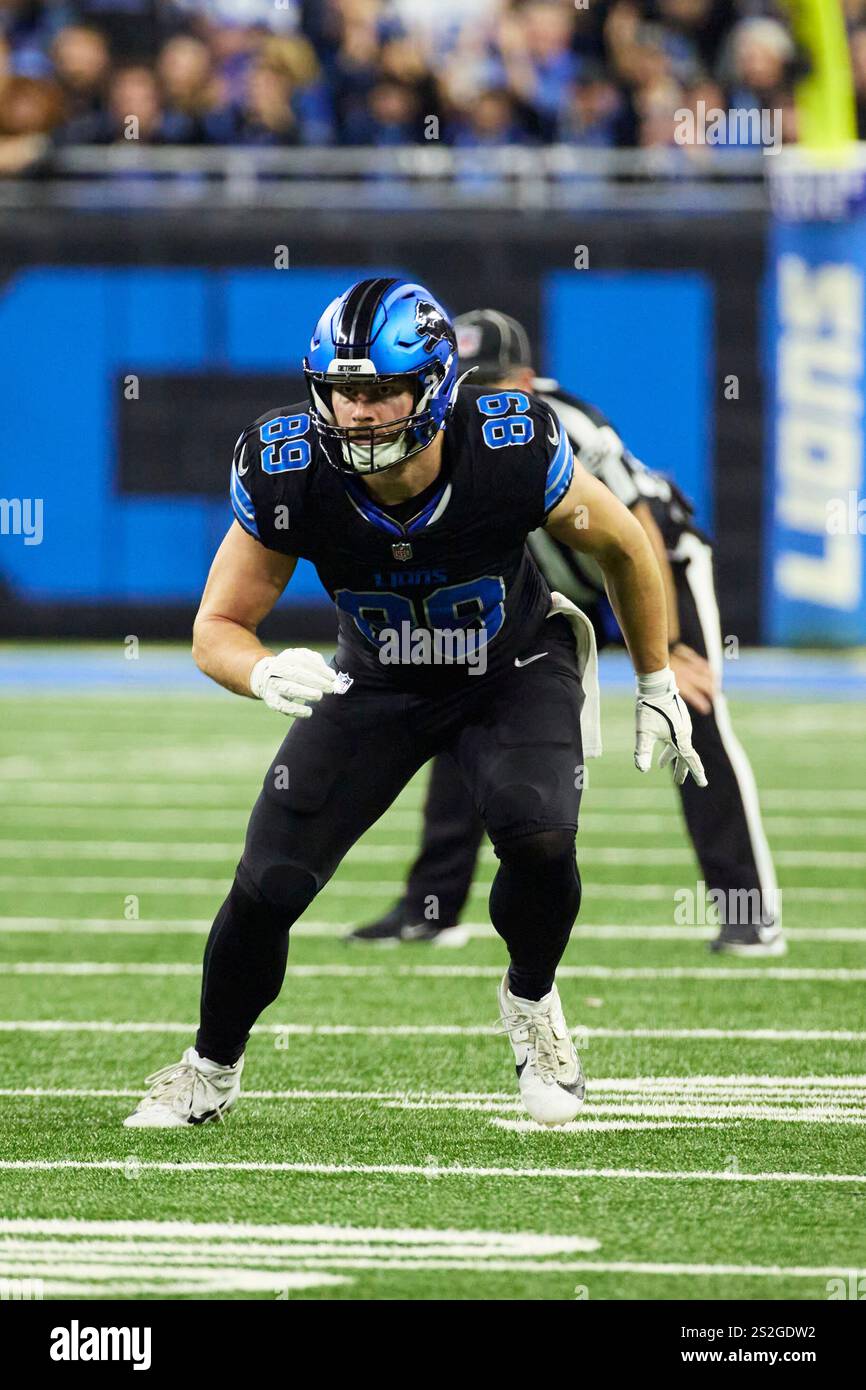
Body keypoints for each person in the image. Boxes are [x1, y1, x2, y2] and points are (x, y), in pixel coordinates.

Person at [124, 277, 704, 1131]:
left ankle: (534, 1007)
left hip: (511, 666)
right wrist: (258, 671)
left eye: (379, 390)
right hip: (378, 679)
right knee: (271, 882)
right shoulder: (289, 465)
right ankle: (209, 1066)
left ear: (433, 386)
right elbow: (218, 625)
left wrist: (656, 680)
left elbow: (626, 546)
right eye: (342, 391)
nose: (357, 412)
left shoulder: (506, 447)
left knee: (539, 835)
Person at [349, 308, 780, 955]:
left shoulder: (562, 424)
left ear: (526, 380)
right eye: (468, 385)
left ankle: (748, 910)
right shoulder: (440, 432)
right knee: (462, 694)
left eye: (495, 384)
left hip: (650, 563)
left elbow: (636, 533)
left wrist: (661, 650)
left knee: (689, 711)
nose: (483, 400)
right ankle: (430, 907)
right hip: (546, 578)